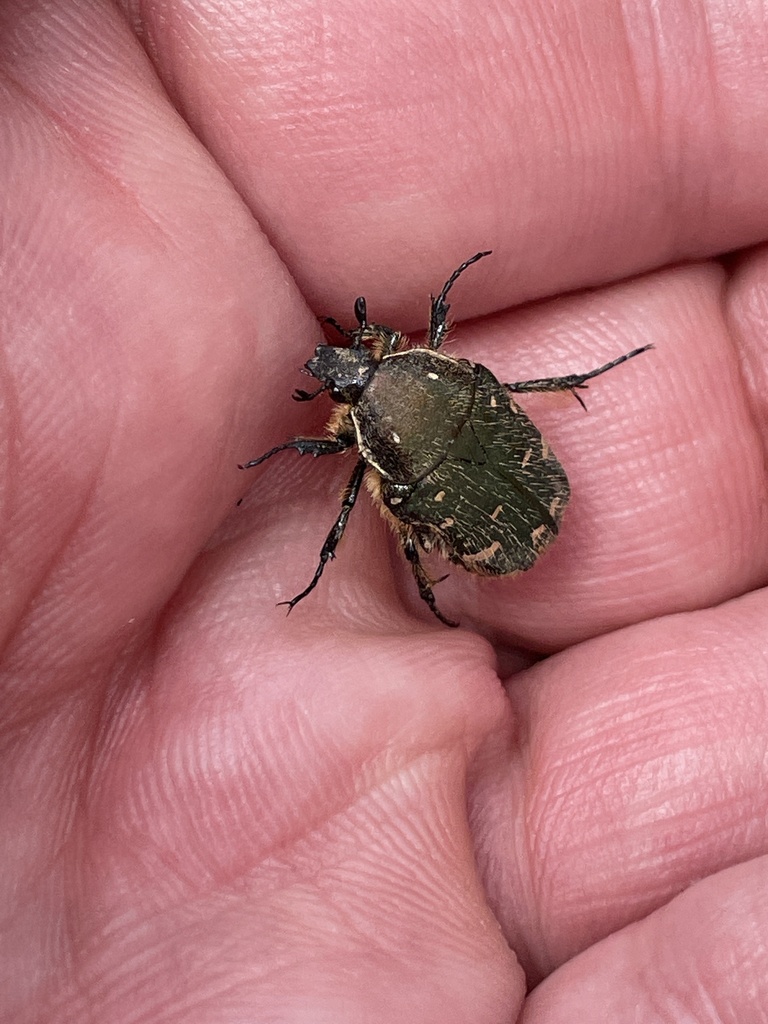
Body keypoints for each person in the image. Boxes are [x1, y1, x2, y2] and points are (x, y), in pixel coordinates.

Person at [3, 0, 767, 1020]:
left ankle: (425, 575)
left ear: (379, 363)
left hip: (490, 497)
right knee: (392, 510)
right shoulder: (409, 385)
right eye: (354, 367)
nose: (347, 364)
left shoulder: (395, 404)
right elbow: (449, 363)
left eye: (352, 364)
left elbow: (440, 392)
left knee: (382, 517)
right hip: (499, 491)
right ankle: (432, 570)